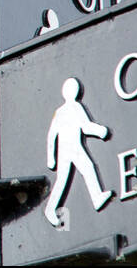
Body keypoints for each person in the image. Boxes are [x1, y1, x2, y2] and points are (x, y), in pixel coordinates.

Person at [44, 77, 114, 227]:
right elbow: (85, 127)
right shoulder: (73, 108)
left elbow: (52, 135)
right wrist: (101, 131)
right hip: (71, 149)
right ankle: (51, 210)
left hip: (70, 148)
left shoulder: (61, 111)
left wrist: (51, 158)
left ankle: (96, 198)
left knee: (75, 174)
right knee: (84, 170)